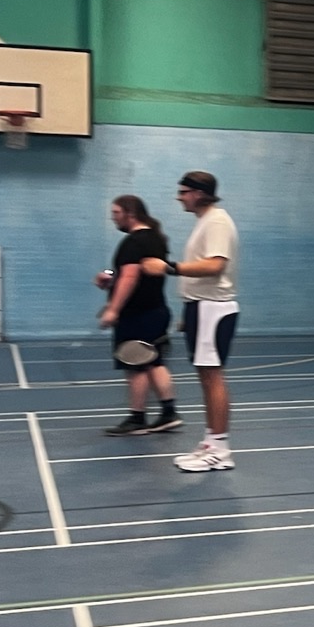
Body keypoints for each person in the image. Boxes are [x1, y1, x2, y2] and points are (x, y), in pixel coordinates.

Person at [140, 171, 239, 473]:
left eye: (183, 192)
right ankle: (211, 443)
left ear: (199, 193)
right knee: (206, 378)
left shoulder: (218, 221)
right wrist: (188, 312)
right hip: (201, 307)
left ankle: (221, 449)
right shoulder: (206, 222)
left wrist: (169, 268)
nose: (179, 197)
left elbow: (215, 266)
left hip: (214, 308)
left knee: (213, 377)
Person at [95, 195, 179, 436]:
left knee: (136, 366)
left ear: (130, 213)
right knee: (154, 362)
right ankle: (168, 413)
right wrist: (111, 275)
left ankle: (137, 418)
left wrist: (113, 309)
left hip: (137, 315)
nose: (113, 218)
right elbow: (130, 272)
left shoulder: (133, 242)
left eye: (116, 213)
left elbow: (130, 277)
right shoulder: (156, 238)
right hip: (156, 311)